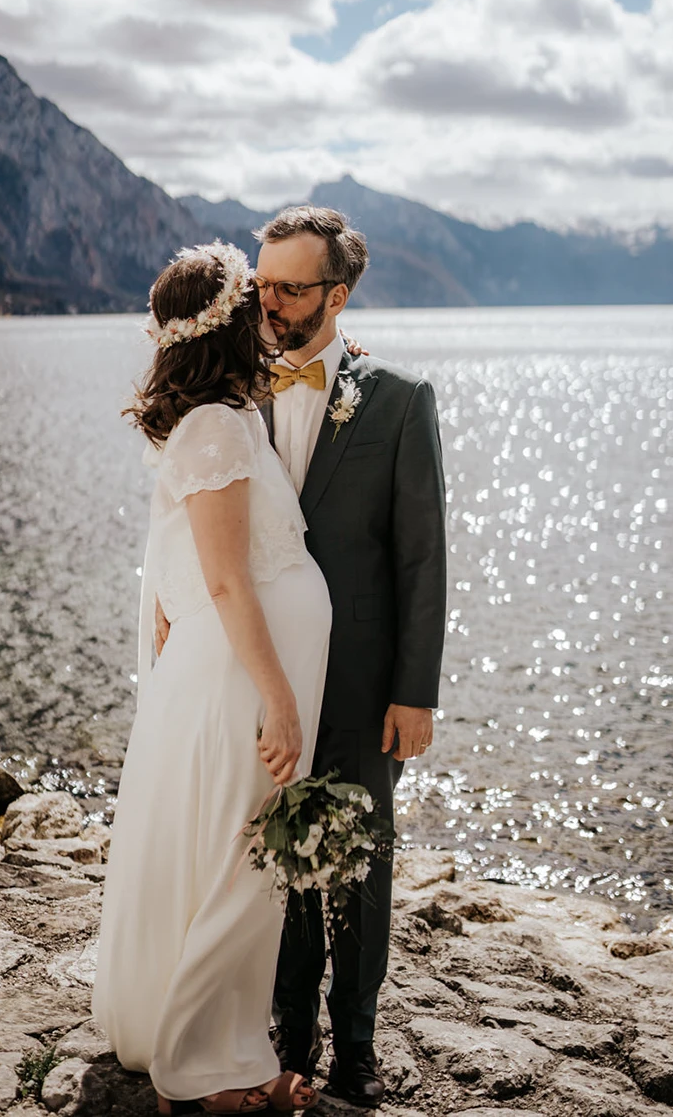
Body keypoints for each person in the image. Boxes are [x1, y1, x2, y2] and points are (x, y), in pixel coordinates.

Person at [91, 241, 332, 1115]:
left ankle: (195, 1031)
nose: (269, 312)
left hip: (234, 668)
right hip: (241, 679)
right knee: (243, 856)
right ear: (229, 324)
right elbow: (229, 579)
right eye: (254, 303)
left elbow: (175, 544)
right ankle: (208, 1070)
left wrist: (162, 599)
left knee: (229, 852)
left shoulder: (216, 417)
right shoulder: (219, 428)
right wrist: (278, 697)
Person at [255, 206, 447, 1107]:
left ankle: (356, 1045)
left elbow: (420, 558)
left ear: (337, 295)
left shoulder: (399, 401)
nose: (270, 302)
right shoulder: (233, 393)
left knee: (359, 867)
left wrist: (415, 693)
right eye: (261, 284)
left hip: (363, 686)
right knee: (273, 863)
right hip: (258, 686)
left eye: (290, 287)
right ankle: (283, 1036)